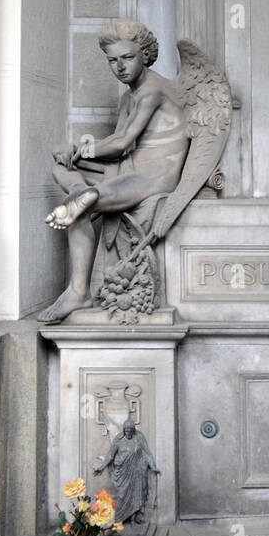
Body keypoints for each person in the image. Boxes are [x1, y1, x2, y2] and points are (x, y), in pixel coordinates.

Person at [38, 21, 190, 323]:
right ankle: (80, 192)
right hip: (129, 168)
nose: (119, 67)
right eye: (112, 60)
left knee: (83, 204)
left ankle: (78, 292)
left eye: (127, 58)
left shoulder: (154, 90)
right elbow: (113, 143)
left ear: (145, 55)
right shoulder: (128, 97)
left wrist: (82, 149)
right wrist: (75, 150)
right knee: (60, 166)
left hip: (154, 176)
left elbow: (122, 143)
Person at [94, 418, 159, 524]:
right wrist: (101, 467)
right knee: (122, 495)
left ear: (133, 430)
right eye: (126, 430)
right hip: (123, 473)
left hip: (137, 473)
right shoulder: (119, 441)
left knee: (137, 495)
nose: (128, 432)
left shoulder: (139, 439)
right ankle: (120, 519)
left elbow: (147, 454)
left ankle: (134, 518)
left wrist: (153, 467)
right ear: (124, 430)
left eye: (130, 430)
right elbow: (110, 455)